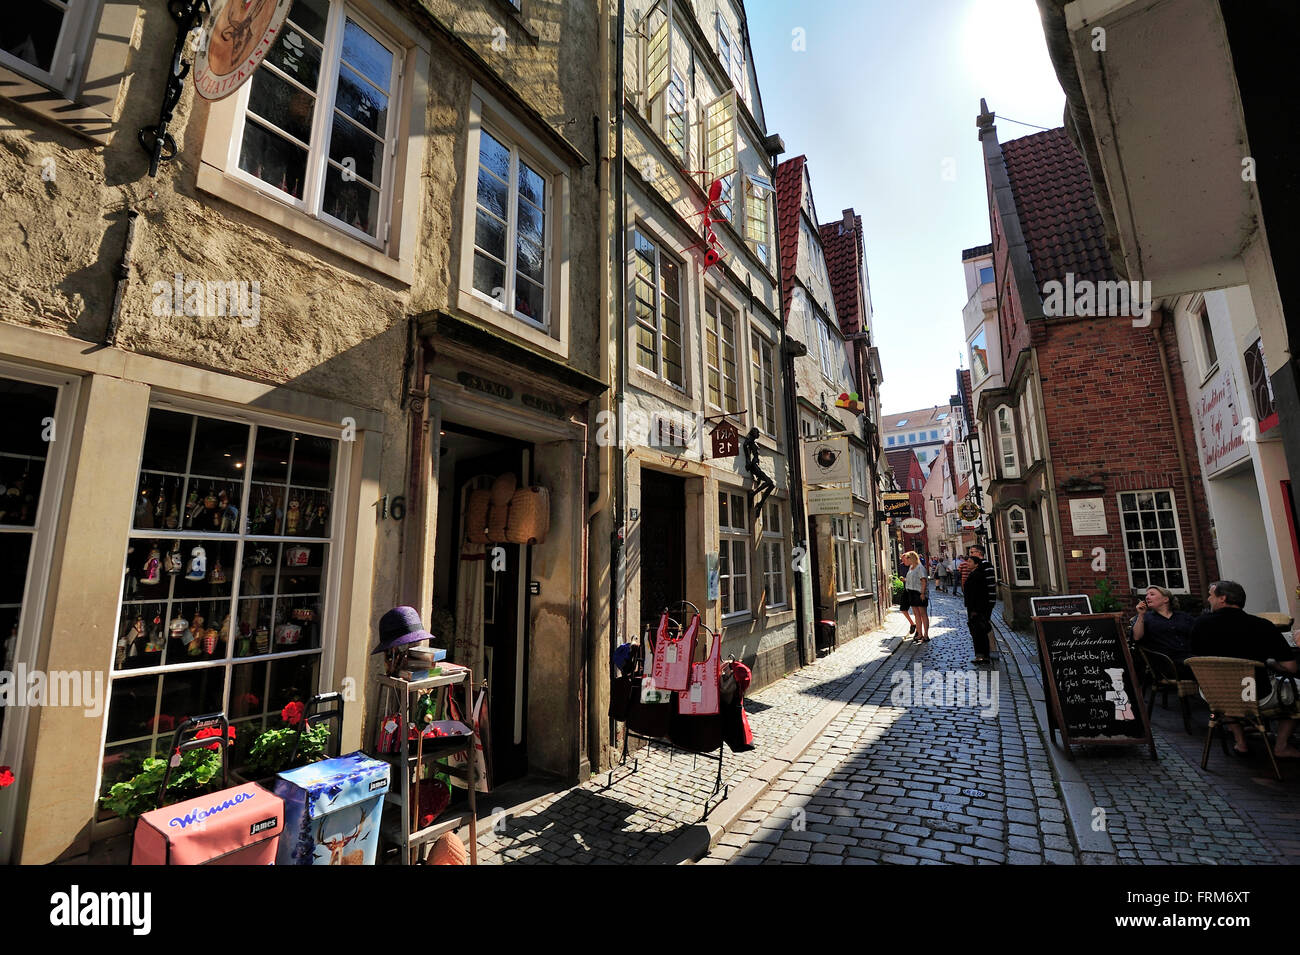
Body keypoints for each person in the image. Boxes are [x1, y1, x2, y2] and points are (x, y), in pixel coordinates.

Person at [1190, 580, 1300, 758]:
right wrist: (1270, 663)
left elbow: (1195, 658)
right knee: (1295, 692)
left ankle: (1240, 742)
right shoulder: (1261, 626)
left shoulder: (1200, 625)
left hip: (1214, 695)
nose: (1208, 599)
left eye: (1211, 595)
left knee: (1225, 689)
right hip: (1256, 695)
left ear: (1222, 598)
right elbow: (1291, 667)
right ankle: (1282, 746)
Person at [1130, 585, 1196, 674]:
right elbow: (1137, 637)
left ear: (1165, 599)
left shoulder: (1183, 617)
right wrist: (1141, 615)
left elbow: (1198, 635)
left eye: (1152, 594)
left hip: (1190, 658)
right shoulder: (1145, 617)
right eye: (1147, 595)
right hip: (1166, 662)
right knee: (1201, 669)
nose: (1147, 597)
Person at [963, 544, 997, 665]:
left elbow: (986, 587)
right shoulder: (977, 568)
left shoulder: (985, 566)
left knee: (982, 627)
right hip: (980, 604)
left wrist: (985, 604)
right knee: (984, 627)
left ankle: (988, 653)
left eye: (972, 552)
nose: (970, 555)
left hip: (983, 604)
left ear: (979, 553)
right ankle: (991, 652)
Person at [902, 551, 930, 643]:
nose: (905, 560)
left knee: (923, 614)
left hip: (919, 593)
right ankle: (919, 634)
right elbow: (912, 580)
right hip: (911, 593)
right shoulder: (911, 567)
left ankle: (926, 635)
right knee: (917, 615)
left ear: (911, 558)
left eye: (907, 558)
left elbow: (923, 581)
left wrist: (922, 593)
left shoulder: (920, 568)